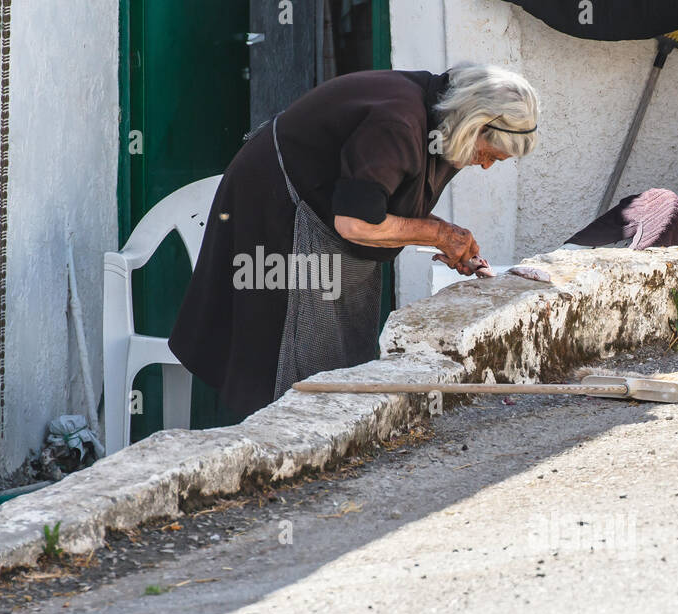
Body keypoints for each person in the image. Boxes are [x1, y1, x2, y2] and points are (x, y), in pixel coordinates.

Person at [169, 63, 539, 420]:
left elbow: (384, 200)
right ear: (475, 125)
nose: (486, 165)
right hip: (281, 210)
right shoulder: (399, 122)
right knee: (298, 366)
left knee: (342, 365)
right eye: (489, 155)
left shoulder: (441, 116)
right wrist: (440, 234)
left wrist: (445, 238)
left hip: (327, 221)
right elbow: (357, 222)